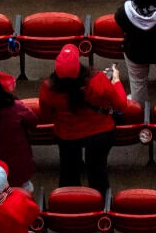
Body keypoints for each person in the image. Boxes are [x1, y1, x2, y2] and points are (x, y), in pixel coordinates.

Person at [38, 44, 127, 193]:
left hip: (67, 135)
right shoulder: (97, 80)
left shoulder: (49, 88)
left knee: (68, 175)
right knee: (98, 172)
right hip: (101, 133)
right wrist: (116, 81)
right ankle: (102, 209)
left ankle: (71, 209)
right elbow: (122, 105)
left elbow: (46, 115)